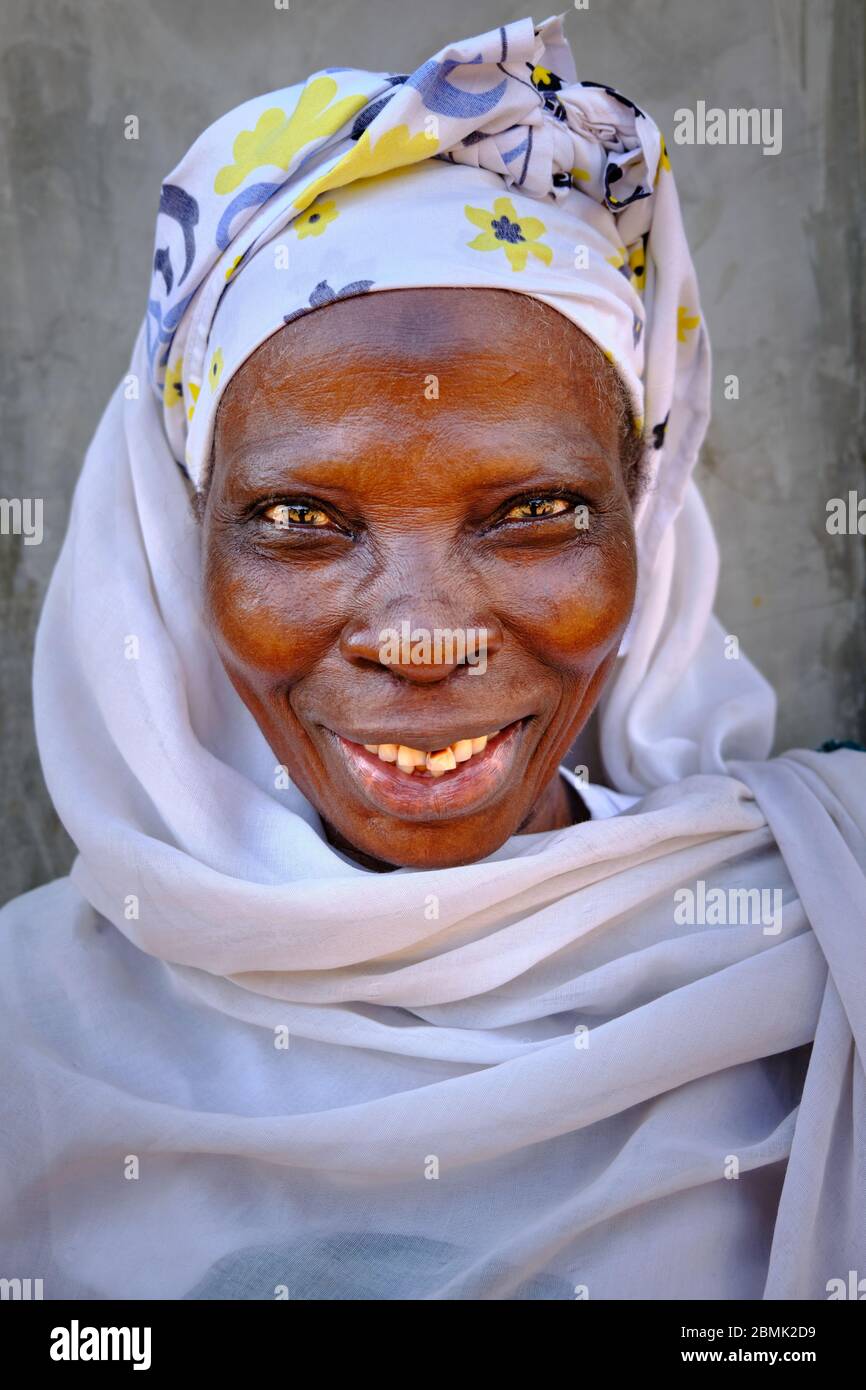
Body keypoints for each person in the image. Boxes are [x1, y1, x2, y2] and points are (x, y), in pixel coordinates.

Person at [0, 13, 863, 1301]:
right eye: (301, 522)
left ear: (650, 523)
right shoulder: (29, 1032)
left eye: (533, 517)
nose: (418, 633)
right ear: (186, 548)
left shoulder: (830, 928)